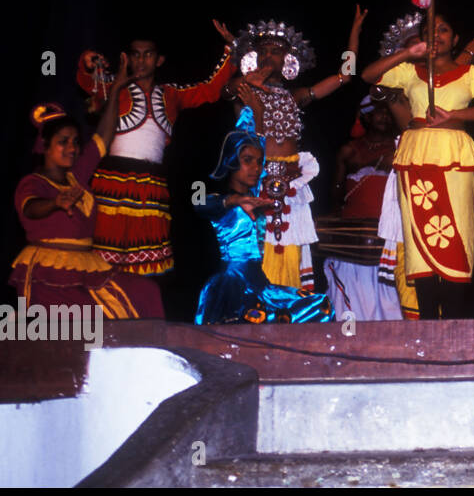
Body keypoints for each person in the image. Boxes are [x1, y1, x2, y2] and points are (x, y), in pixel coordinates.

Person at [372, 0, 474, 318]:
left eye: (444, 30)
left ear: (455, 37)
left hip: (455, 156)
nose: (436, 35)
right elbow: (368, 76)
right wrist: (409, 53)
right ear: (420, 40)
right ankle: (425, 323)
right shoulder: (408, 72)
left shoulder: (472, 72)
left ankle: (451, 321)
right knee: (419, 241)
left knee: (457, 233)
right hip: (416, 156)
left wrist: (454, 116)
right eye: (429, 31)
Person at [77, 21, 237, 281]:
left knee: (143, 264)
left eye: (148, 54)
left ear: (159, 60)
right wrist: (87, 60)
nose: (141, 61)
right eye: (136, 55)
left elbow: (209, 90)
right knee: (104, 259)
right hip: (111, 182)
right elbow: (87, 82)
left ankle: (137, 315)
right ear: (127, 59)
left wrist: (232, 49)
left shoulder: (171, 95)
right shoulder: (113, 87)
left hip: (151, 185)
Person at [231, 8, 366, 293]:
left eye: (276, 51)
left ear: (288, 59)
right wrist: (247, 76)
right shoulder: (242, 91)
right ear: (254, 57)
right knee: (260, 246)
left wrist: (355, 34)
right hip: (258, 182)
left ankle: (290, 309)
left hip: (292, 182)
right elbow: (227, 91)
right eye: (263, 51)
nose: (269, 56)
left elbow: (347, 75)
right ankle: (260, 308)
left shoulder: (297, 95)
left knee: (292, 247)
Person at [11, 66, 163, 318]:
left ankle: (148, 355)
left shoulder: (78, 176)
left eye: (75, 142)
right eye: (63, 141)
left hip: (86, 267)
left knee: (146, 292)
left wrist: (115, 90)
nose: (72, 148)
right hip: (49, 275)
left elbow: (103, 134)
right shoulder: (33, 182)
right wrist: (55, 203)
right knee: (82, 324)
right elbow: (31, 207)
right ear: (44, 145)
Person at [194, 127, 332, 324]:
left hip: (259, 285)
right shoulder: (220, 200)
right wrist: (232, 200)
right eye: (248, 160)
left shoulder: (259, 198)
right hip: (232, 285)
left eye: (260, 162)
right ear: (231, 161)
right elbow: (196, 202)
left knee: (320, 307)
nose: (256, 167)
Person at [320, 92, 402, 321]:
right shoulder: (350, 150)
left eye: (388, 113)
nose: (384, 117)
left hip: (387, 232)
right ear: (366, 116)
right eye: (379, 112)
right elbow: (336, 188)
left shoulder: (401, 147)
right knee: (351, 296)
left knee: (389, 298)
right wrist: (335, 218)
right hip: (354, 233)